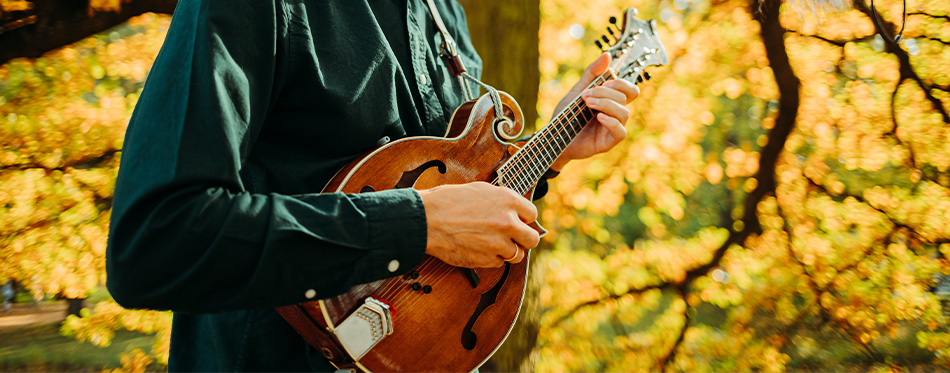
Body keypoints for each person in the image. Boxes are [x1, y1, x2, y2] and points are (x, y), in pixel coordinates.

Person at [106, 0, 639, 370]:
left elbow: (449, 193)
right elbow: (157, 241)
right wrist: (417, 225)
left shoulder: (446, 13)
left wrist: (550, 154)